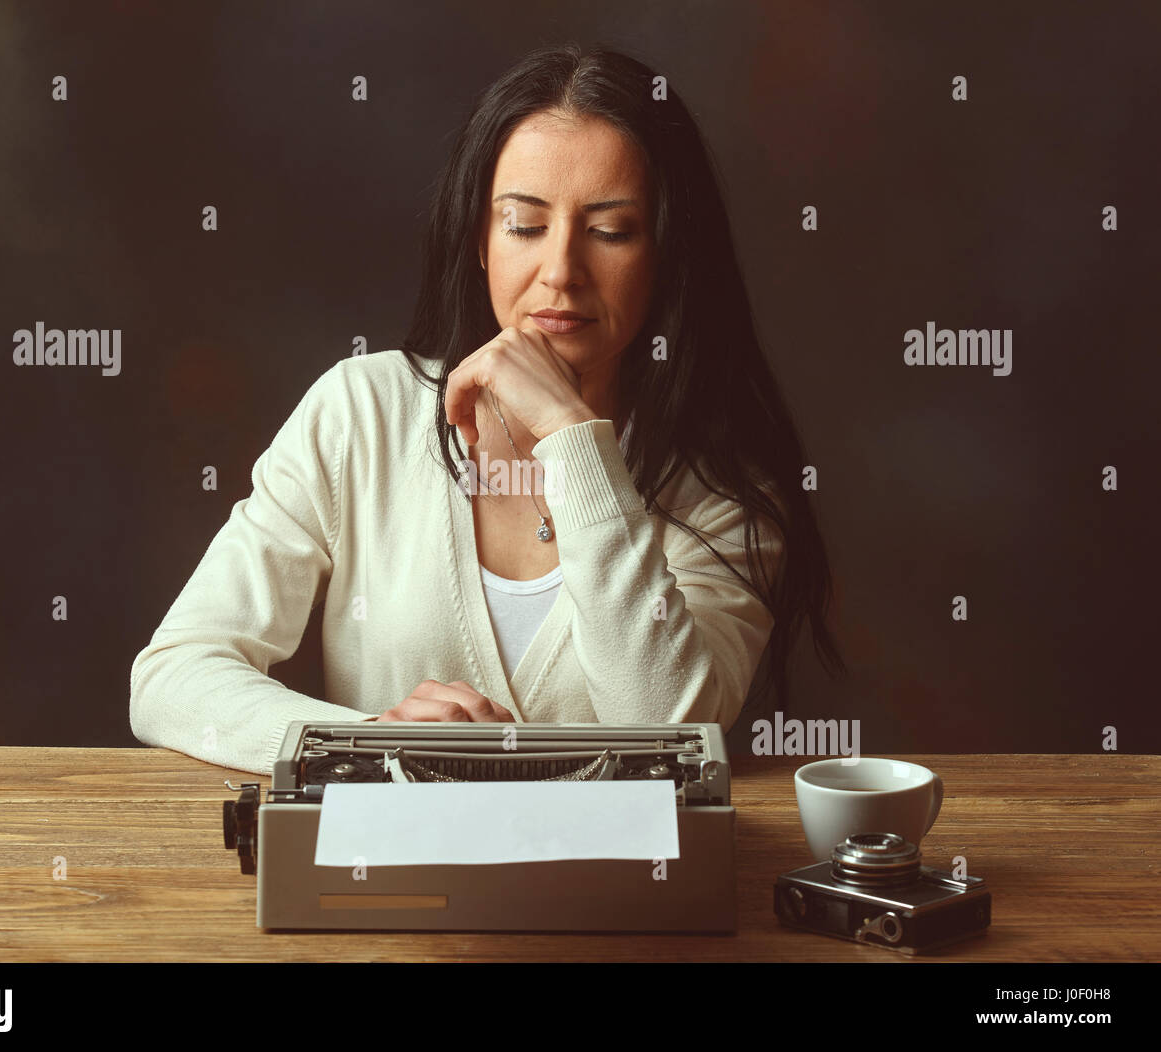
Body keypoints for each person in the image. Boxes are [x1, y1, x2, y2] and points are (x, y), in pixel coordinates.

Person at [130, 44, 846, 774]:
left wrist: (573, 438)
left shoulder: (726, 491)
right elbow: (173, 677)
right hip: (385, 876)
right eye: (525, 225)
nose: (561, 271)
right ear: (479, 239)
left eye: (609, 232)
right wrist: (373, 742)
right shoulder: (361, 414)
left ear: (666, 258)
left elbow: (666, 733)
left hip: (617, 886)